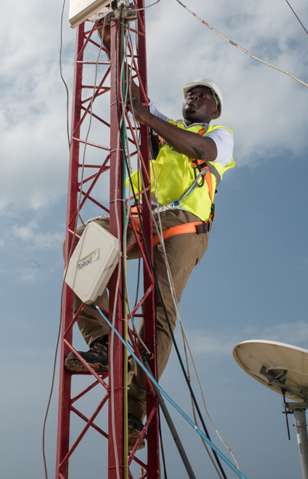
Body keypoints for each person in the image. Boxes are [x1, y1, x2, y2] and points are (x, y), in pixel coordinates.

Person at [64, 38, 235, 451]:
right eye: (190, 95)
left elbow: (198, 148)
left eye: (203, 96)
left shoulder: (219, 135)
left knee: (157, 318)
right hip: (143, 219)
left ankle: (135, 411)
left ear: (215, 108)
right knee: (81, 248)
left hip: (183, 228)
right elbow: (135, 98)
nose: (194, 98)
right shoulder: (161, 130)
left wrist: (147, 117)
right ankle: (104, 342)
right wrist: (111, 43)